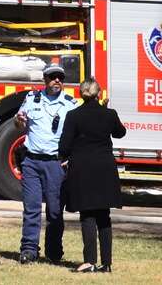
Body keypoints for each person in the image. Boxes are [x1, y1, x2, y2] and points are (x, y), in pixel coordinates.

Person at [59, 78, 126, 273]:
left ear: (80, 94)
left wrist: (65, 157)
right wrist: (107, 111)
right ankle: (106, 263)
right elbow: (120, 133)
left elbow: (64, 146)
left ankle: (89, 261)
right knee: (104, 216)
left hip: (82, 169)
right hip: (105, 169)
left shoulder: (73, 115)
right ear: (99, 93)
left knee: (87, 214)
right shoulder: (109, 114)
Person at [14, 62, 76, 265]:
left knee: (55, 211)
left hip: (55, 164)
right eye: (52, 77)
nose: (57, 80)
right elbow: (19, 123)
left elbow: (78, 133)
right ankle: (29, 250)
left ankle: (54, 250)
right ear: (45, 79)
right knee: (31, 208)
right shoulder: (31, 98)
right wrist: (19, 121)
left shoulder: (70, 104)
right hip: (31, 162)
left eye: (60, 77)